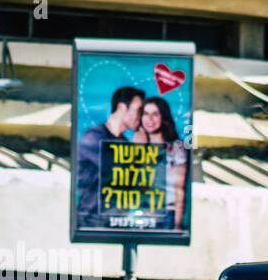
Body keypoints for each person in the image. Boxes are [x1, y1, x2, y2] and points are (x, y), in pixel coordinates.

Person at [75, 85, 144, 227]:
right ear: (121, 108)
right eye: (139, 110)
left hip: (115, 222)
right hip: (90, 222)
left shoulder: (125, 144)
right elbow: (114, 169)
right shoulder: (94, 137)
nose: (141, 117)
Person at [132, 96, 189, 229]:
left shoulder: (175, 147)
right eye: (145, 114)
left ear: (163, 117)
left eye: (155, 114)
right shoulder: (138, 144)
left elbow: (179, 190)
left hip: (166, 214)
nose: (149, 119)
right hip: (140, 212)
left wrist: (177, 224)